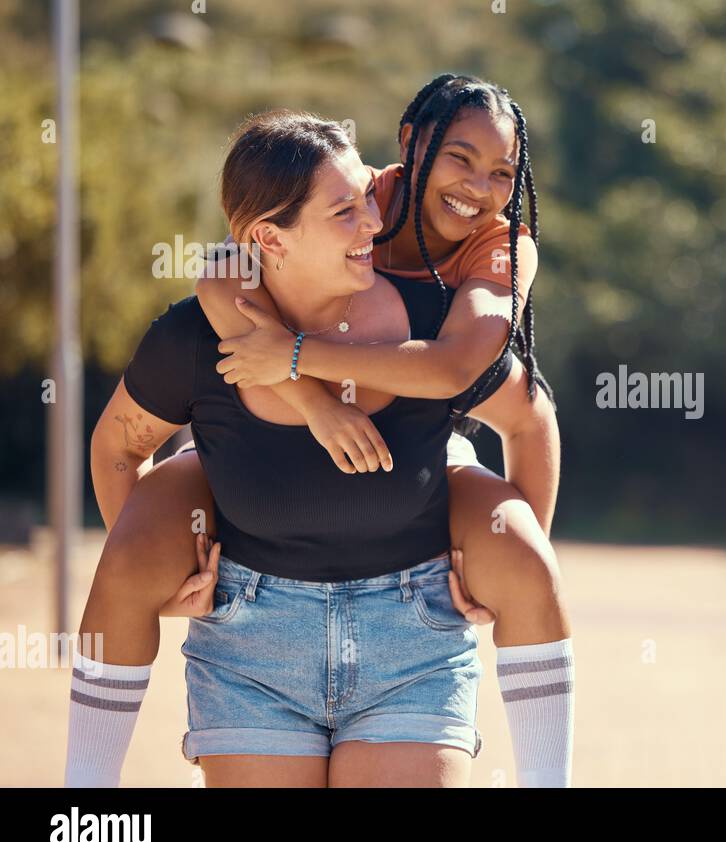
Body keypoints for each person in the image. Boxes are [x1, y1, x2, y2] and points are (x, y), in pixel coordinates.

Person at [66, 85, 572, 788]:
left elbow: (470, 369)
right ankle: (82, 800)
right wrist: (313, 403)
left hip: (426, 438)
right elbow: (221, 274)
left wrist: (500, 573)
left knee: (515, 537)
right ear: (409, 147)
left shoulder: (497, 249)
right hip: (255, 595)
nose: (481, 187)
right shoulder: (363, 189)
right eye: (461, 159)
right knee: (157, 506)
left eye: (502, 172)